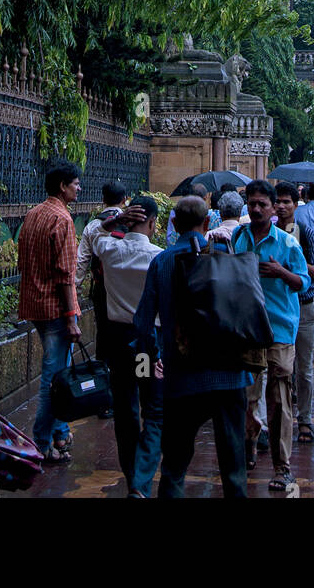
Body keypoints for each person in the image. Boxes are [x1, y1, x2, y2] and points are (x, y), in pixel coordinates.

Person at [133, 194, 252, 498]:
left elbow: (143, 325)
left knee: (174, 467)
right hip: (230, 375)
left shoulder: (161, 262)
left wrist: (149, 364)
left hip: (181, 377)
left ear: (173, 223)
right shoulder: (227, 256)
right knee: (234, 468)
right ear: (207, 222)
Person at [233, 180, 309, 494]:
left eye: (262, 204)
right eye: (252, 203)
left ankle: (282, 467)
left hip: (279, 330)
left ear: (274, 206)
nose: (256, 209)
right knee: (247, 397)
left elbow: (303, 283)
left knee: (278, 399)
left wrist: (281, 272)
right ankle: (249, 445)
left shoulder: (287, 244)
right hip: (247, 329)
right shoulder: (238, 239)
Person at [91, 196, 164, 497]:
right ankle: (141, 479)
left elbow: (95, 232)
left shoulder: (110, 251)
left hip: (118, 342)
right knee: (154, 410)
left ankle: (133, 474)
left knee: (125, 407)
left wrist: (114, 222)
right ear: (152, 223)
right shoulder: (159, 257)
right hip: (146, 344)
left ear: (128, 220)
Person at [17, 158, 83, 462]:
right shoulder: (63, 220)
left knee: (58, 373)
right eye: (75, 183)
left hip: (34, 305)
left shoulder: (32, 214)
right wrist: (72, 319)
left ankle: (59, 435)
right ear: (62, 186)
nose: (79, 188)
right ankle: (40, 442)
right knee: (53, 379)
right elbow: (66, 276)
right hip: (56, 310)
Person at [76, 179, 127, 411]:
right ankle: (129, 390)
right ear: (124, 199)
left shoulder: (92, 226)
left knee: (104, 340)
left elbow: (81, 262)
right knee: (128, 340)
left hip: (101, 290)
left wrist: (74, 291)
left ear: (103, 199)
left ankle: (105, 397)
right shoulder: (132, 222)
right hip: (127, 291)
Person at [274, 182, 314, 445]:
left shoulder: (306, 233)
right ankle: (280, 418)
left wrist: (299, 264)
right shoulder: (267, 233)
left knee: (304, 368)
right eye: (278, 202)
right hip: (276, 307)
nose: (281, 206)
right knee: (280, 367)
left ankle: (305, 419)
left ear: (296, 204)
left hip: (303, 306)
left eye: (286, 202)